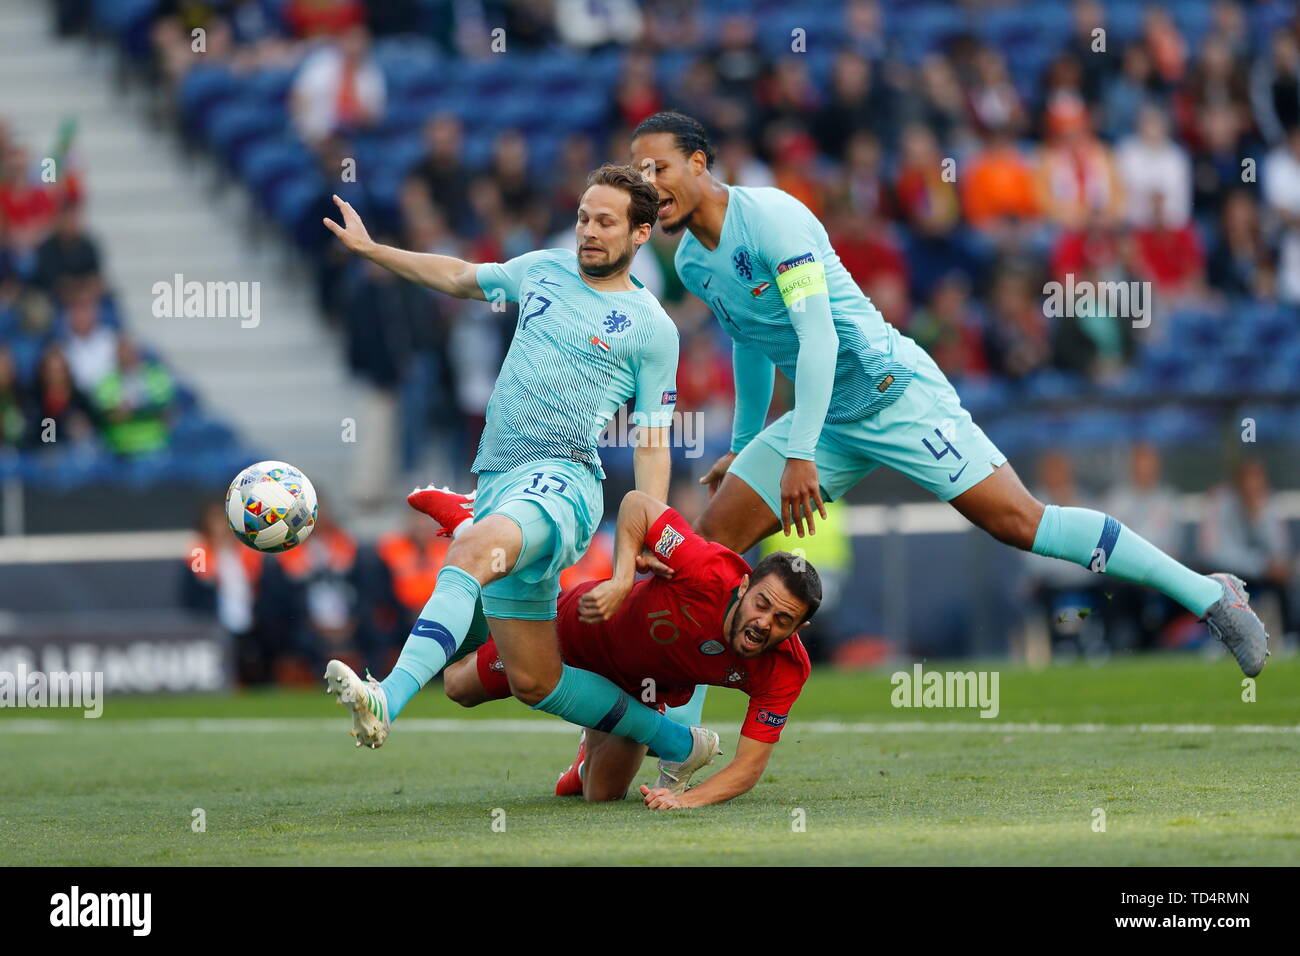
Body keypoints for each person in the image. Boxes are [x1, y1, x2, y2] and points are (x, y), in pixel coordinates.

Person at [626, 111, 1270, 692]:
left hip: (893, 392)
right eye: (638, 172)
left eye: (659, 166)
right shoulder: (690, 262)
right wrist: (742, 446)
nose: (648, 183)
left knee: (1020, 522)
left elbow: (817, 338)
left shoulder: (772, 216)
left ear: (700, 164)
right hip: (828, 418)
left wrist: (797, 452)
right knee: (707, 546)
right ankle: (676, 732)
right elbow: (753, 344)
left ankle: (1210, 596)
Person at [319, 165, 721, 783]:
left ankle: (387, 697)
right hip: (502, 482)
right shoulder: (543, 270)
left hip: (563, 485)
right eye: (585, 216)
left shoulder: (651, 326)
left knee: (471, 549)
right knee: (536, 680)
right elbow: (457, 276)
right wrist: (373, 250)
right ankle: (679, 742)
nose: (588, 231)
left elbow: (651, 442)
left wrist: (649, 533)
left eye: (606, 222)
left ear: (641, 233)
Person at [438, 490, 816, 808]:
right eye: (762, 604)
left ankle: (592, 747)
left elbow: (749, 767)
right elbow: (637, 505)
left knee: (601, 796)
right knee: (458, 688)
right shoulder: (705, 569)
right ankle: (475, 535)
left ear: (800, 628)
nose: (765, 622)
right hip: (577, 632)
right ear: (744, 585)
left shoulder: (785, 668)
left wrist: (686, 800)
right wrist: (622, 579)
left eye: (783, 620)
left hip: (638, 690)